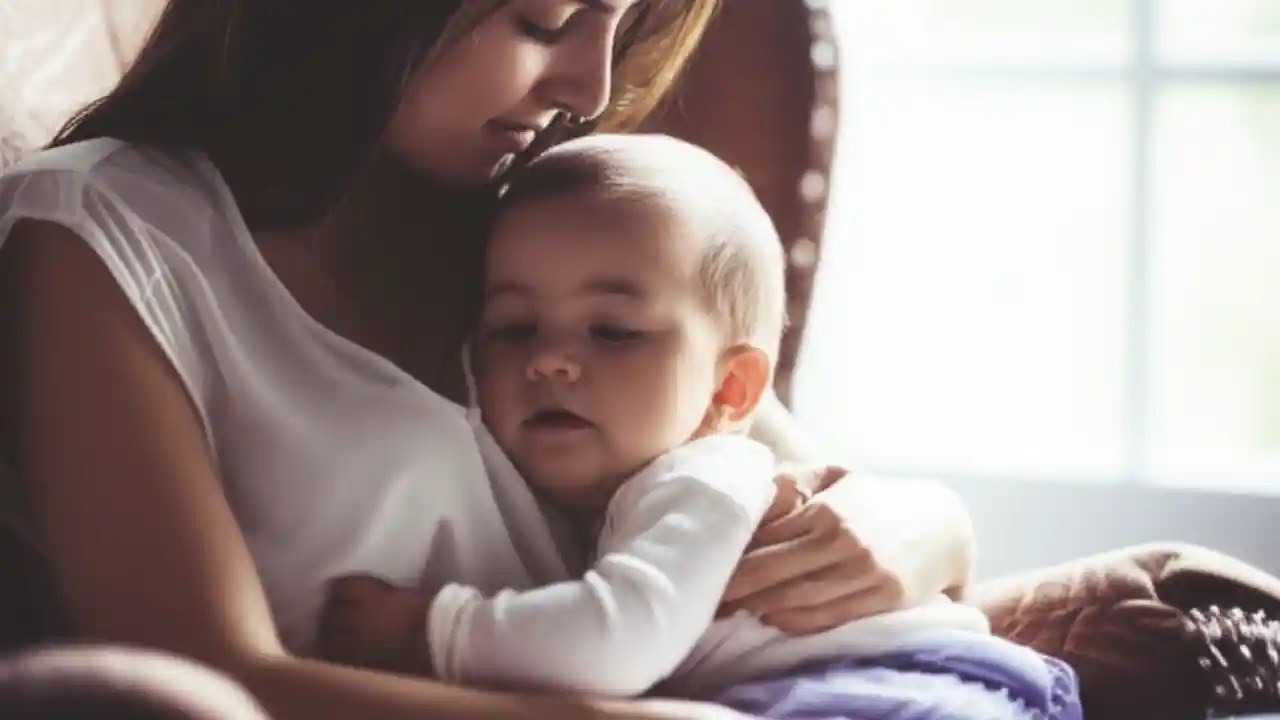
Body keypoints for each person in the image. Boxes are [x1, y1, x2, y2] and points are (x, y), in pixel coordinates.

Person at [0, 1, 976, 717]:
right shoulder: (96, 232)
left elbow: (770, 465)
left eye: (617, 24)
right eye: (545, 23)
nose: (588, 89)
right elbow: (205, 680)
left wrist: (933, 525)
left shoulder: (545, 230)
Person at [317, 134, 1080, 720]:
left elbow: (616, 643)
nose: (550, 359)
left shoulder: (702, 479)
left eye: (613, 332)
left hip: (888, 696)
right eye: (513, 328)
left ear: (731, 387)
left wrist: (434, 632)